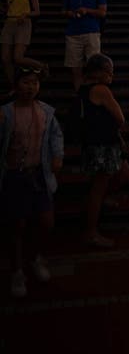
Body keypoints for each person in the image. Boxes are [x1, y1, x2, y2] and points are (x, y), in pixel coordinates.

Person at [0, 67, 64, 297]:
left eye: (35, 83)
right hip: (14, 175)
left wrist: (57, 156)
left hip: (39, 174)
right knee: (16, 225)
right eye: (26, 82)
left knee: (46, 221)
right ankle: (17, 270)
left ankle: (35, 257)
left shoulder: (45, 111)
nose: (31, 87)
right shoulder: (6, 113)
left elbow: (56, 135)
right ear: (16, 85)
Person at [79, 53, 129, 248]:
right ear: (99, 72)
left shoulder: (84, 88)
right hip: (102, 145)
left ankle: (102, 199)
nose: (112, 75)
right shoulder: (101, 90)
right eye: (109, 71)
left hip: (104, 142)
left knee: (124, 174)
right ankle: (90, 232)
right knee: (98, 187)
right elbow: (120, 118)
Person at [63, 0, 107, 89]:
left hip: (92, 32)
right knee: (75, 69)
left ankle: (94, 96)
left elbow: (102, 12)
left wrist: (86, 10)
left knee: (94, 68)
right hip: (73, 33)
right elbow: (63, 11)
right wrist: (70, 13)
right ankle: (79, 96)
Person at [0, 0, 47, 86]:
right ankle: (13, 85)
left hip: (23, 23)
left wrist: (25, 15)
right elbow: (8, 8)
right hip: (9, 22)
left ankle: (41, 66)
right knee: (5, 58)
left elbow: (37, 11)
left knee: (18, 57)